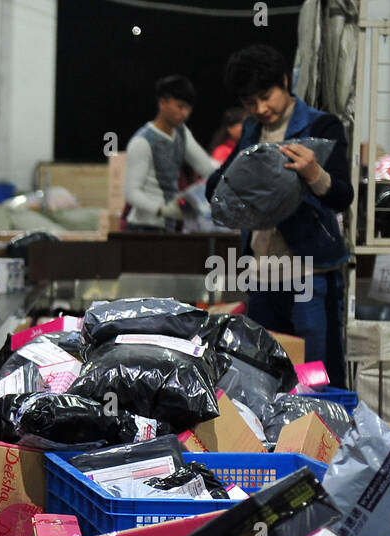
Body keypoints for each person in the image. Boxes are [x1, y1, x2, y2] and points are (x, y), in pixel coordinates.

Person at [206, 44, 352, 387]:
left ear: (285, 81)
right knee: (265, 377)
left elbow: (343, 196)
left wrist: (315, 173)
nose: (260, 108)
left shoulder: (322, 126)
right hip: (260, 275)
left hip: (309, 274)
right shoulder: (251, 131)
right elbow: (218, 185)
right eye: (248, 102)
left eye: (265, 95)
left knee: (316, 378)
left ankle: (321, 440)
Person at [123, 75, 218, 231]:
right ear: (162, 103)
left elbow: (206, 168)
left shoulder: (182, 133)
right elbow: (131, 193)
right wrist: (162, 209)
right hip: (143, 227)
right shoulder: (142, 142)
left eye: (188, 108)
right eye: (180, 106)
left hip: (169, 225)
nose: (185, 113)